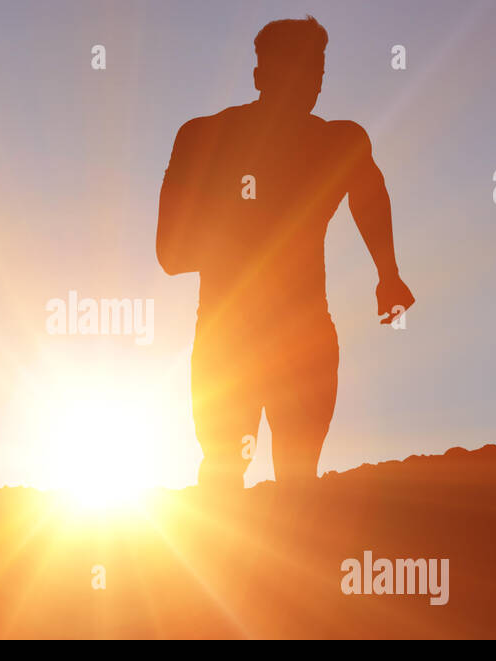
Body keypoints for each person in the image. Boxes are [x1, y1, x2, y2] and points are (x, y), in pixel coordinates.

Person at [156, 15, 415, 489]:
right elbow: (170, 254)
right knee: (224, 471)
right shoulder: (201, 137)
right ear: (260, 76)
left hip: (302, 334)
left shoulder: (340, 140)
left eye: (315, 71)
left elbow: (368, 193)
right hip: (230, 336)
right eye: (294, 69)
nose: (309, 83)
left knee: (296, 477)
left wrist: (389, 275)